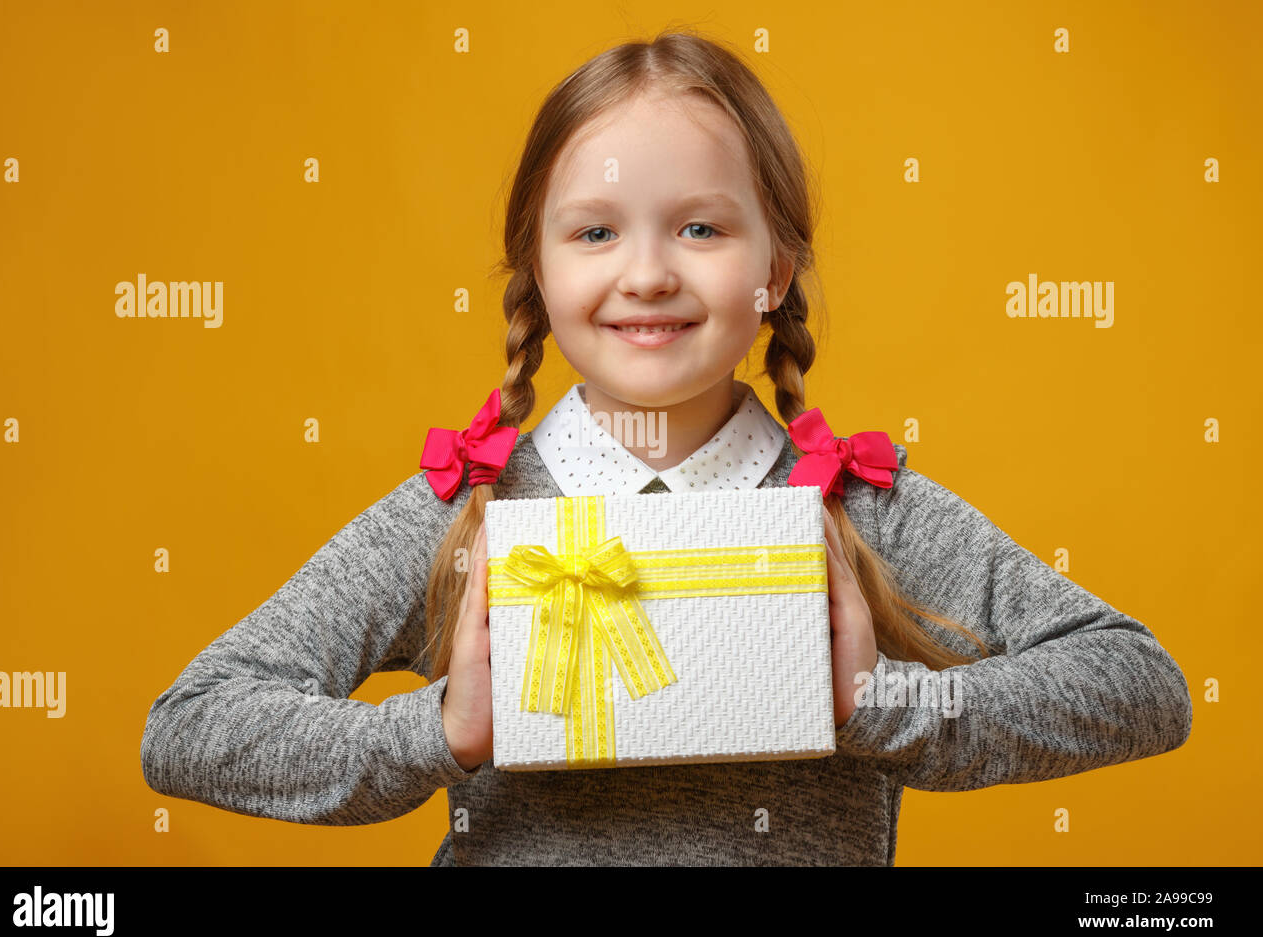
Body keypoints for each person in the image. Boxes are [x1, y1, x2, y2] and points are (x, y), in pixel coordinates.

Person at [140, 30, 1192, 865]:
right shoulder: (467, 509)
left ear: (773, 268)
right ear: (537, 271)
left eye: (698, 228)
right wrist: (439, 729)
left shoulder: (862, 507)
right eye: (595, 231)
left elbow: (1140, 684)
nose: (645, 273)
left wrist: (890, 702)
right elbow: (190, 724)